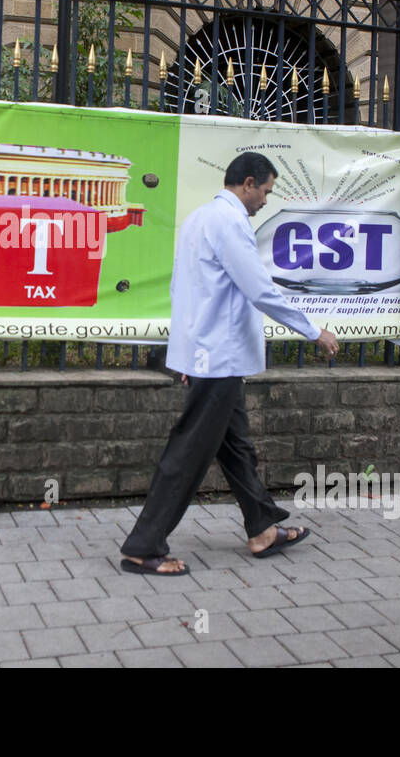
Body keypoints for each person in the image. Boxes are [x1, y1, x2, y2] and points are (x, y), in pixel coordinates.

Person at [120, 151, 340, 576]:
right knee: (187, 453)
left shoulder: (199, 219)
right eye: (266, 192)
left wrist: (185, 353)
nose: (264, 202)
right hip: (218, 359)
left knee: (237, 448)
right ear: (249, 183)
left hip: (210, 356)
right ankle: (142, 547)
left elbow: (183, 289)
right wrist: (314, 331)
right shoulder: (229, 222)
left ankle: (261, 529)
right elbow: (259, 289)